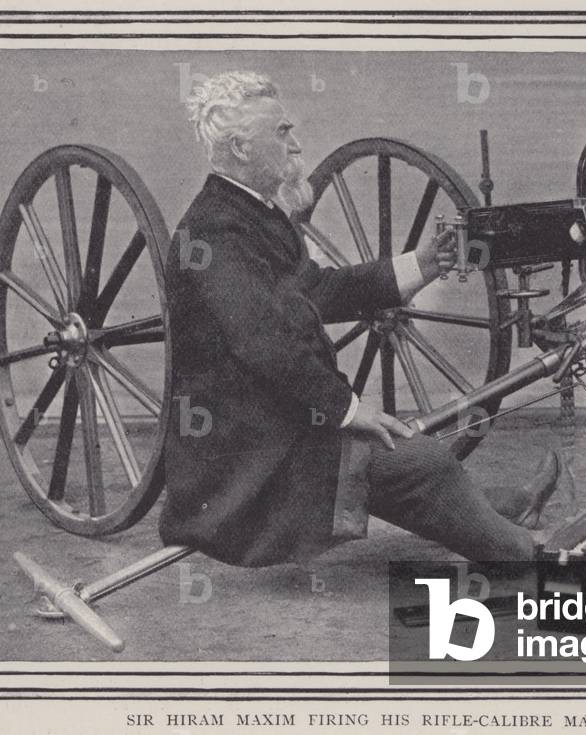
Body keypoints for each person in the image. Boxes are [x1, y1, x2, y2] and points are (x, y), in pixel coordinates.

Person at [159, 71, 565, 567]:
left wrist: (425, 263)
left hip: (278, 424)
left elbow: (321, 291)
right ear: (242, 149)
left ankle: (502, 510)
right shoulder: (215, 232)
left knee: (406, 455)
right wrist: (348, 411)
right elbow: (264, 343)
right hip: (247, 460)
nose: (296, 144)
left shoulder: (253, 214)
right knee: (423, 462)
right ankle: (531, 557)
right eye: (282, 133)